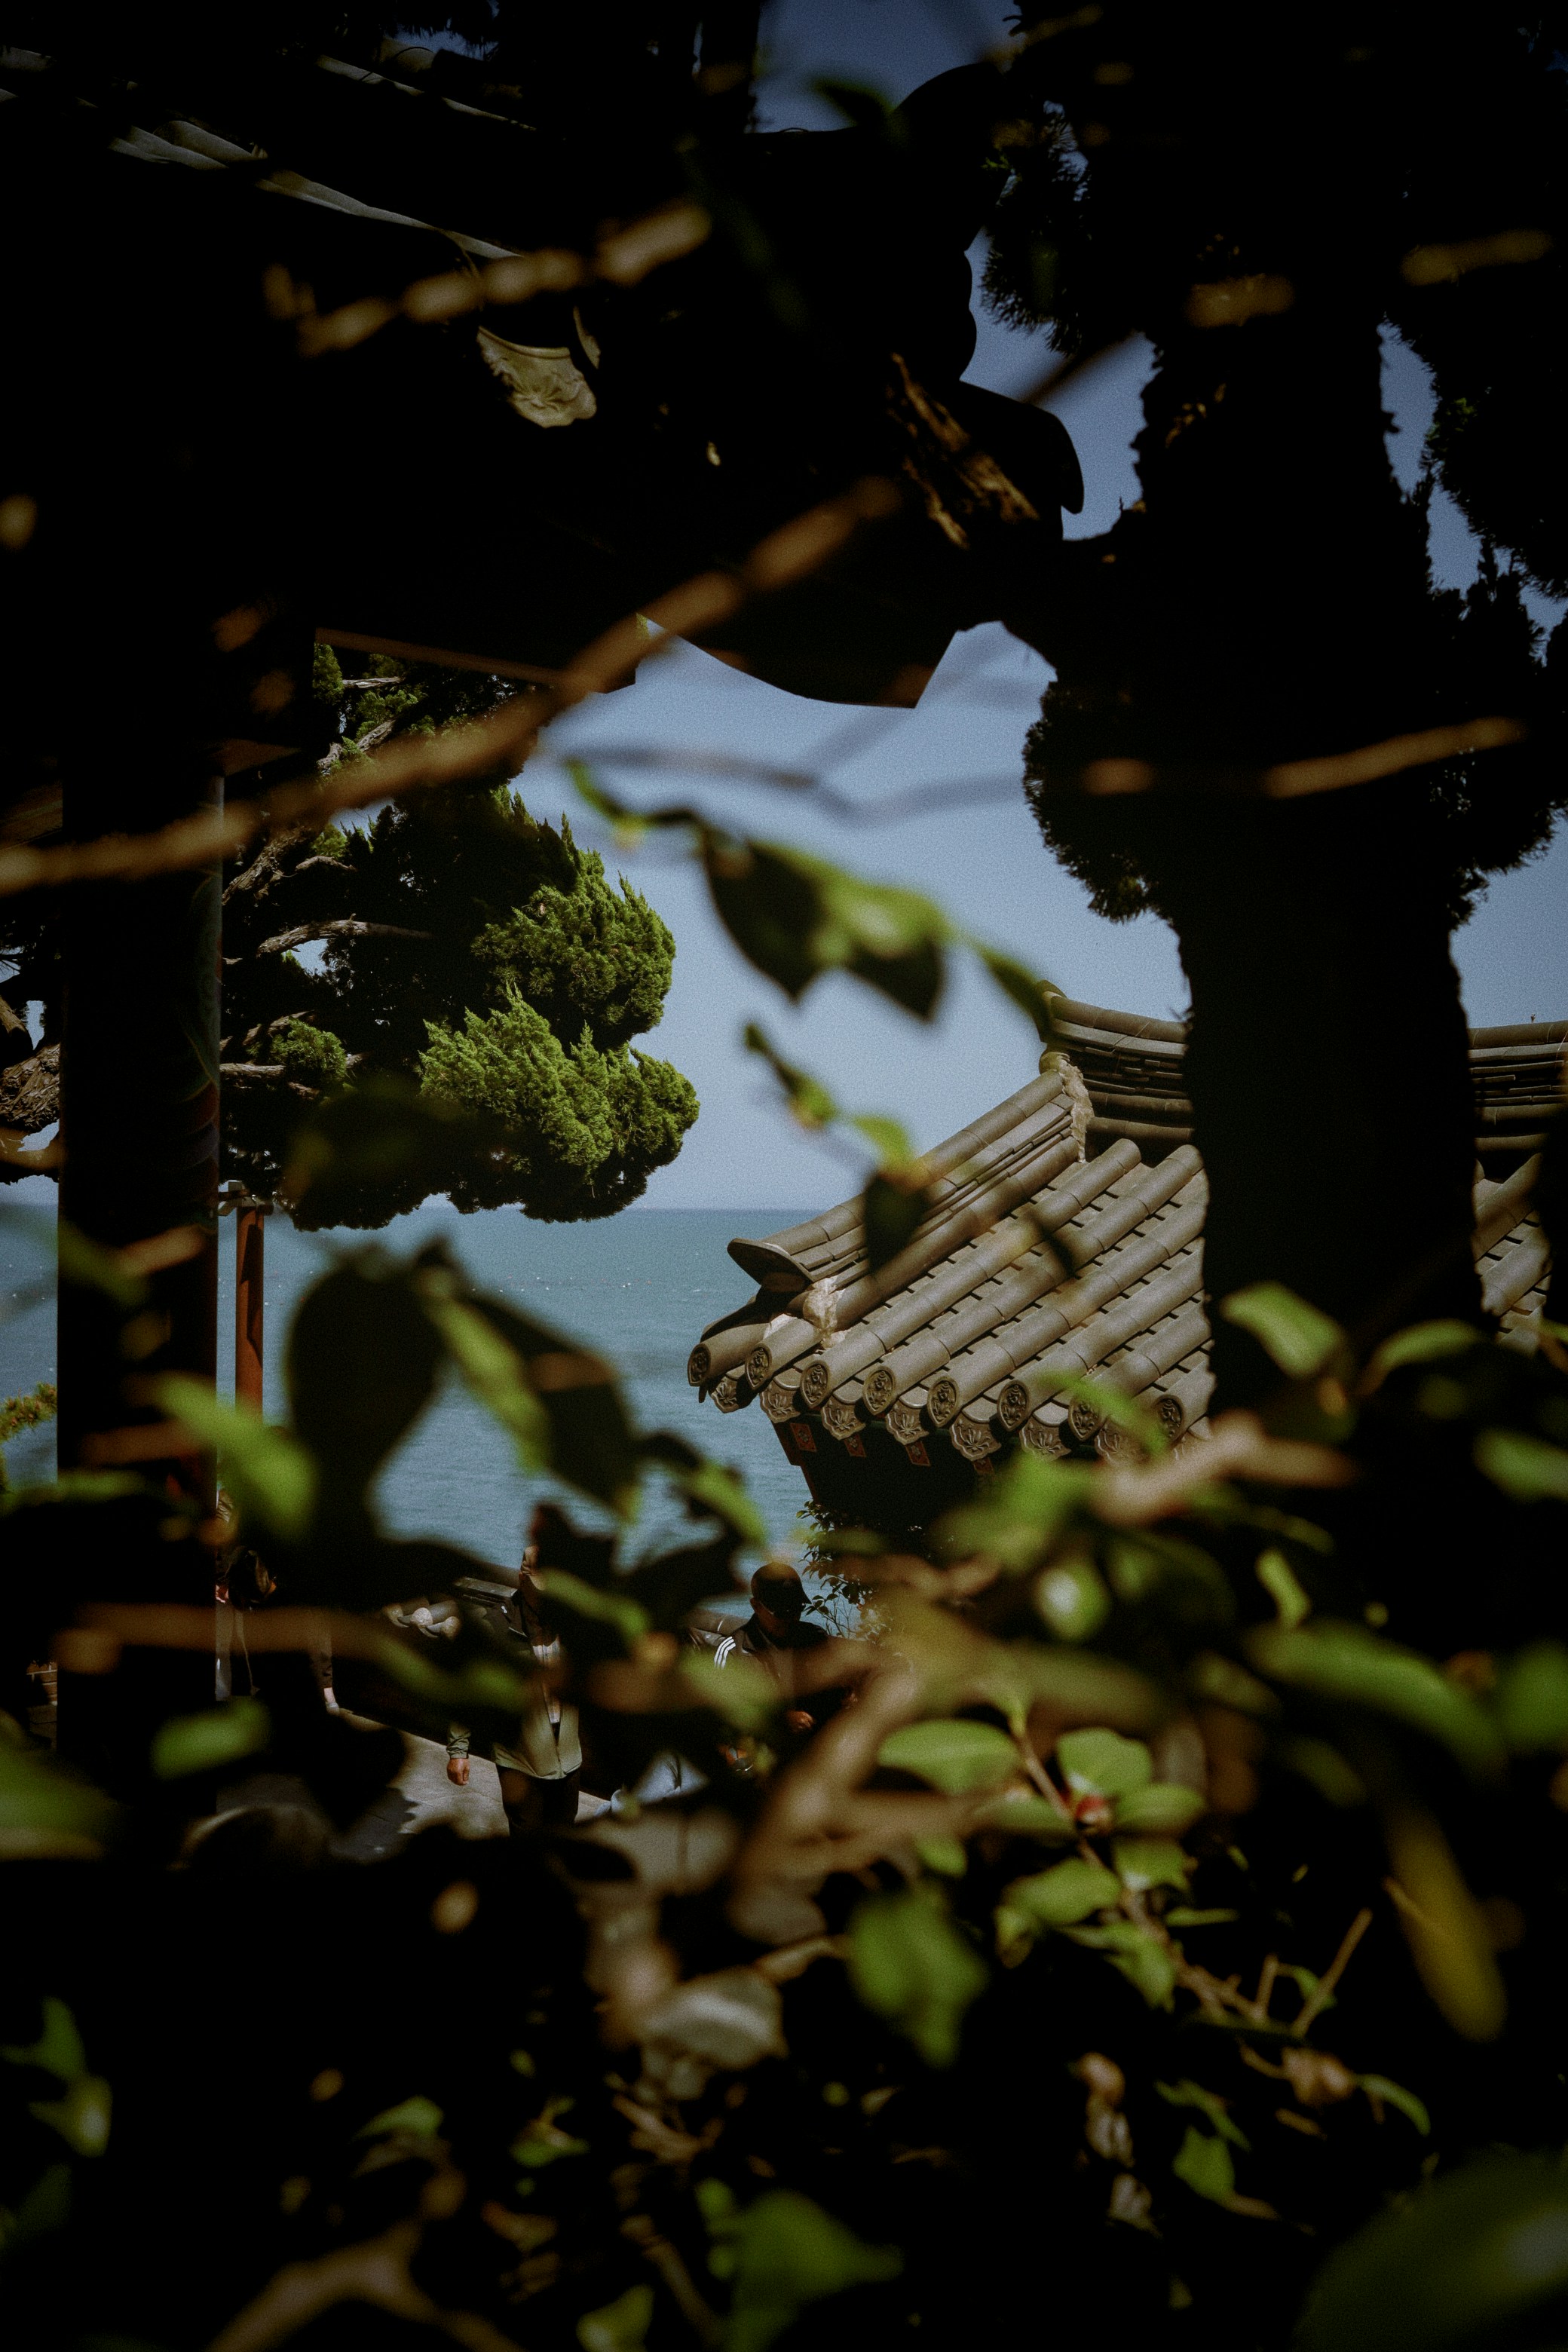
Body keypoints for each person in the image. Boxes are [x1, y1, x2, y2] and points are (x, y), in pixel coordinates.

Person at [446, 1504, 583, 1834]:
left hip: (569, 1756)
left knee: (563, 1840)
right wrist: (458, 1751)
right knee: (525, 1845)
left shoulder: (573, 1624)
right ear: (522, 1580)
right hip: (520, 1762)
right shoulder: (495, 1628)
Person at [712, 1560, 835, 1748]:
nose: (789, 1618)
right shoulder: (733, 1651)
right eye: (780, 1612)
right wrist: (780, 1722)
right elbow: (721, 1717)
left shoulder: (816, 1640)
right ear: (756, 1606)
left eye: (796, 1609)